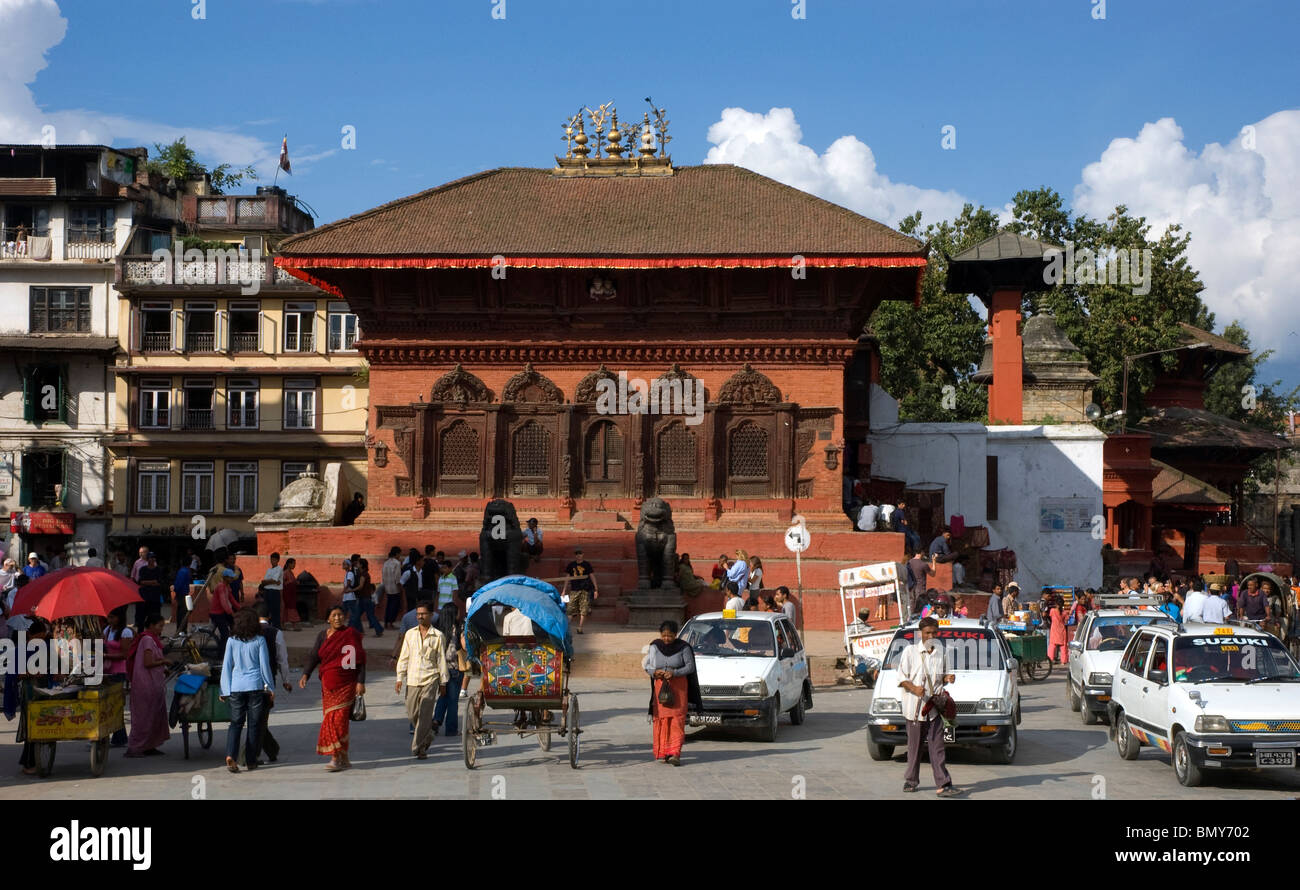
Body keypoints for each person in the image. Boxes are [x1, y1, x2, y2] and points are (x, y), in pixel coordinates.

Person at [898, 617, 961, 796]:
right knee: (914, 748)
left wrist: (948, 678)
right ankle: (911, 781)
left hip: (934, 709)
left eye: (934, 632)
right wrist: (913, 688)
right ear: (920, 633)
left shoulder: (942, 652)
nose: (931, 636)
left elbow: (942, 677)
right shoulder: (910, 652)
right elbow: (902, 678)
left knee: (938, 747)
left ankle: (944, 784)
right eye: (927, 633)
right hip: (915, 709)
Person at [300, 606, 367, 772]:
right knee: (335, 718)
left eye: (340, 615)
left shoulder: (350, 634)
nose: (338, 618)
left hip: (347, 684)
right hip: (328, 685)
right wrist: (306, 674)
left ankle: (335, 757)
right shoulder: (322, 635)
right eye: (334, 615)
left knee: (336, 720)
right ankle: (344, 757)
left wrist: (360, 682)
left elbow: (360, 660)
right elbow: (314, 655)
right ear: (328, 619)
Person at [219, 609, 273, 773]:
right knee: (254, 725)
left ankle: (231, 755)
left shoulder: (231, 641)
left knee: (235, 724)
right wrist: (269, 687)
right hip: (255, 687)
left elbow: (227, 666)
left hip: (236, 687)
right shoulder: (259, 640)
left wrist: (224, 690)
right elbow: (265, 666)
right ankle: (250, 761)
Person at [643, 620, 701, 766]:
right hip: (660, 688)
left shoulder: (684, 647)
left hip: (678, 688)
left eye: (670, 636)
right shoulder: (655, 646)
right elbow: (647, 664)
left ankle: (675, 753)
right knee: (662, 720)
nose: (666, 639)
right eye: (664, 636)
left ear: (676, 635)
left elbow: (690, 667)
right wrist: (654, 672)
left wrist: (674, 673)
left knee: (677, 720)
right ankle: (664, 752)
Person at [395, 601, 447, 759]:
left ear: (431, 615)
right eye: (418, 614)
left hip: (430, 679)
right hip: (412, 679)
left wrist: (443, 682)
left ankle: (419, 747)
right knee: (412, 714)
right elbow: (404, 656)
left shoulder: (438, 636)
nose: (420, 616)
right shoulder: (410, 634)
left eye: (423, 614)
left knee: (425, 713)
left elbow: (441, 660)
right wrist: (399, 678)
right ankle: (429, 733)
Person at [125, 612, 171, 758]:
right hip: (145, 685)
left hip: (153, 683)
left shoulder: (152, 639)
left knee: (154, 716)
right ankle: (136, 747)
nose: (161, 629)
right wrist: (164, 662)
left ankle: (150, 745)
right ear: (151, 625)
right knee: (144, 717)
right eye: (159, 626)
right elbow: (148, 662)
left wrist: (163, 669)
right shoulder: (147, 640)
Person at [252, 602, 292, 765]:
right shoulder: (276, 633)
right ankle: (267, 750)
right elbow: (282, 659)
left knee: (257, 718)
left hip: (248, 681)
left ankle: (261, 751)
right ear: (269, 617)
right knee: (261, 718)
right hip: (268, 679)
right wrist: (286, 680)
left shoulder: (248, 631)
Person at [102, 607, 134, 747]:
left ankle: (119, 737)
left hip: (119, 670)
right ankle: (115, 736)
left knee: (116, 703)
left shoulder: (125, 632)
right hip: (107, 669)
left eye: (112, 617)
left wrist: (106, 656)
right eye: (108, 617)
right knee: (107, 703)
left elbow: (125, 654)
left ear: (119, 618)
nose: (109, 620)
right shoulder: (107, 630)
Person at [432, 603, 465, 737]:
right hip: (454, 668)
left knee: (443, 695)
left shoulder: (436, 630)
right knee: (452, 700)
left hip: (440, 668)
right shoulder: (457, 629)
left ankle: (437, 719)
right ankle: (451, 729)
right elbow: (463, 647)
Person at [563, 548, 598, 634]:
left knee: (584, 609)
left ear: (583, 554)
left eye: (580, 553)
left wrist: (596, 589)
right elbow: (567, 578)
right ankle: (565, 628)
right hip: (574, 590)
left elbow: (592, 576)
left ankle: (580, 627)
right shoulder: (571, 565)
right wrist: (564, 591)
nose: (578, 555)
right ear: (575, 555)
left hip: (585, 590)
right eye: (577, 554)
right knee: (570, 609)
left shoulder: (586, 565)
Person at [208, 567, 240, 651]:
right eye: (230, 577)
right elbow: (224, 603)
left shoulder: (227, 587)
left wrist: (241, 609)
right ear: (225, 577)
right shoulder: (221, 587)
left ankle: (233, 646)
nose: (232, 578)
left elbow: (232, 600)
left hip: (222, 612)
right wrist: (231, 612)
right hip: (216, 614)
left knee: (234, 625)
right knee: (225, 634)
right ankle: (221, 654)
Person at [136, 553, 166, 622]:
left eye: (154, 558)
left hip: (155, 598)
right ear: (147, 559)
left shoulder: (158, 570)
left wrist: (147, 582)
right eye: (151, 558)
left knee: (155, 618)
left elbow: (159, 582)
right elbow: (140, 582)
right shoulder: (143, 569)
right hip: (144, 597)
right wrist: (153, 582)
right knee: (142, 618)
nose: (153, 559)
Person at [259, 552, 284, 630]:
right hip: (267, 591)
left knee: (275, 611)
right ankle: (267, 627)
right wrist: (271, 581)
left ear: (278, 560)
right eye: (271, 559)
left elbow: (274, 580)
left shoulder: (279, 569)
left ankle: (277, 628)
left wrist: (268, 581)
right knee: (266, 610)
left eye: (274, 560)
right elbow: (264, 581)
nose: (272, 561)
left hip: (274, 592)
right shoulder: (269, 570)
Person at [381, 546, 403, 629]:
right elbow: (397, 578)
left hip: (387, 587)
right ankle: (391, 623)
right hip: (394, 588)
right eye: (399, 554)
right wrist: (400, 587)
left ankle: (386, 622)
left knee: (389, 605)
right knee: (394, 606)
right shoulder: (397, 563)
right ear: (397, 554)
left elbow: (383, 576)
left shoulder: (386, 563)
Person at [172, 558, 193, 632]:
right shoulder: (185, 571)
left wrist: (176, 591)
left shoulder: (182, 571)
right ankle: (182, 629)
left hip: (182, 594)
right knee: (183, 613)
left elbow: (178, 584)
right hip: (183, 594)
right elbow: (179, 584)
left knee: (182, 613)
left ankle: (181, 629)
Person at [1047, 596, 1069, 664]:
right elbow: (1066, 621)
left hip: (1054, 630)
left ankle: (1050, 659)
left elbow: (1050, 617)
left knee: (1052, 645)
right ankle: (1063, 661)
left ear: (1056, 604)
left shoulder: (1052, 611)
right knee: (1063, 646)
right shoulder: (1065, 612)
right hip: (1062, 630)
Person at [281, 557, 301, 630]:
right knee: (287, 609)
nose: (294, 565)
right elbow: (282, 583)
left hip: (291, 594)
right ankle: (289, 625)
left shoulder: (291, 573)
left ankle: (292, 625)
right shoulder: (285, 573)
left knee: (290, 608)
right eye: (293, 564)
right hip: (287, 594)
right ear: (289, 564)